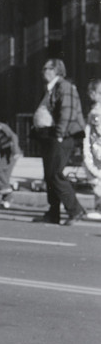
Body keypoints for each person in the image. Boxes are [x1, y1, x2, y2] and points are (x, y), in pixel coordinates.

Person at [33, 59, 87, 226]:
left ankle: (75, 209)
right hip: (50, 136)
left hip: (62, 137)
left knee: (55, 173)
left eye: (46, 68)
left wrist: (59, 134)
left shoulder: (64, 86)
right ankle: (53, 213)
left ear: (56, 70)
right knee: (49, 175)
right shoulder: (51, 88)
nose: (43, 71)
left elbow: (67, 112)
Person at [79, 78, 101, 220]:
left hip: (96, 149)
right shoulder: (95, 110)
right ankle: (98, 207)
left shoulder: (96, 111)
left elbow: (94, 132)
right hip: (95, 149)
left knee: (95, 177)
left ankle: (99, 208)